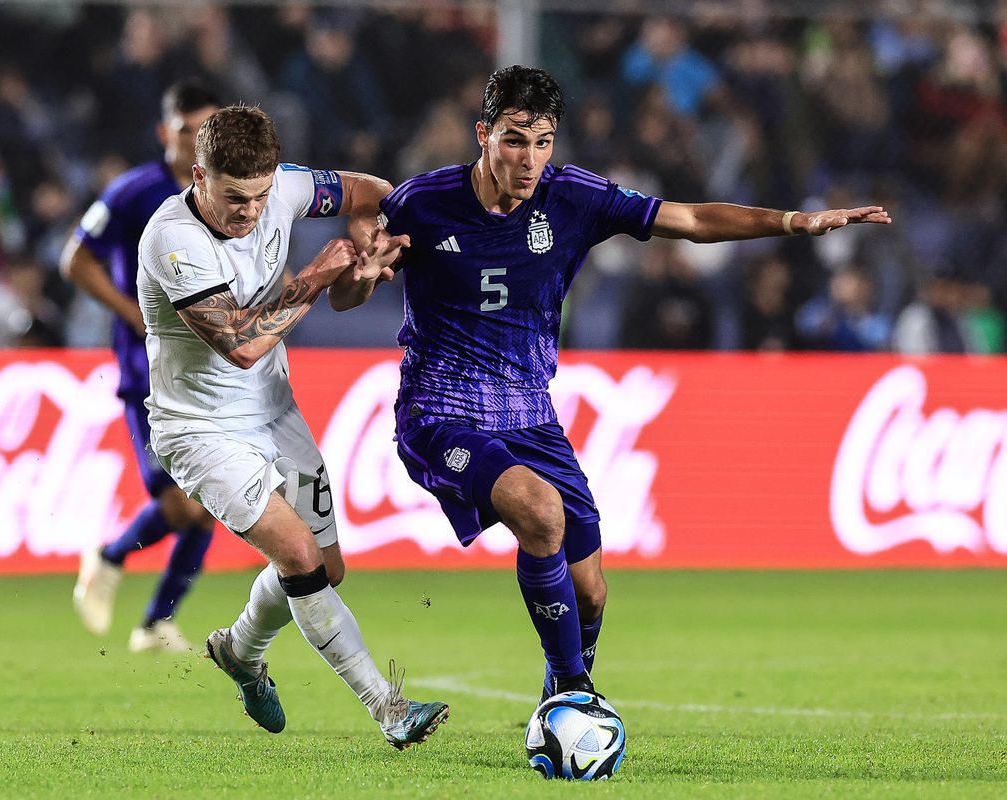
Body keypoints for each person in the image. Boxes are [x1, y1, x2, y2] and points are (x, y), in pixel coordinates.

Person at [343, 65, 891, 705]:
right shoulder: (423, 201)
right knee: (539, 512)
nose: (529, 159)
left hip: (531, 415)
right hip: (440, 412)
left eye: (543, 142)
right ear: (483, 133)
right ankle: (573, 695)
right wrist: (362, 275)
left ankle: (562, 682)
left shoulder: (573, 197)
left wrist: (793, 222)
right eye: (515, 140)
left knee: (590, 590)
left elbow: (688, 219)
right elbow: (352, 296)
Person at [136, 104, 448, 748]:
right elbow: (242, 343)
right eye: (232, 197)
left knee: (325, 571)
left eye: (259, 195)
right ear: (197, 175)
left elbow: (371, 189)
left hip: (274, 410)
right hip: (200, 429)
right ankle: (388, 708)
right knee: (299, 555)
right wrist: (316, 276)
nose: (250, 211)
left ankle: (240, 651)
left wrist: (365, 237)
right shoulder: (172, 240)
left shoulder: (284, 188)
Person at [64, 80, 221, 654]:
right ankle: (108, 557)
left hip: (206, 369)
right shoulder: (135, 191)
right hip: (146, 369)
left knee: (206, 505)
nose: (197, 141)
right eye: (186, 130)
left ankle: (156, 623)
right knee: (183, 505)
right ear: (165, 133)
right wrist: (131, 312)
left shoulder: (224, 194)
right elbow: (74, 259)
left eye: (208, 130)